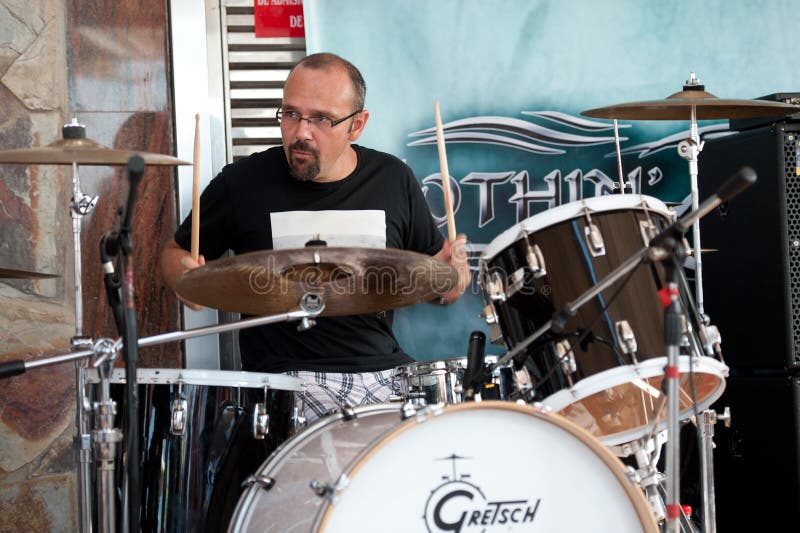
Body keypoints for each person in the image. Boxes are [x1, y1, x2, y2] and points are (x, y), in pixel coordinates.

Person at [161, 52, 470, 423]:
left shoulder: (392, 179)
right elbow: (176, 252)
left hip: (384, 372)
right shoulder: (243, 183)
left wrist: (453, 278)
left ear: (357, 125)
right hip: (286, 382)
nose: (301, 132)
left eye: (321, 118)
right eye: (291, 114)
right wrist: (185, 276)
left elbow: (441, 285)